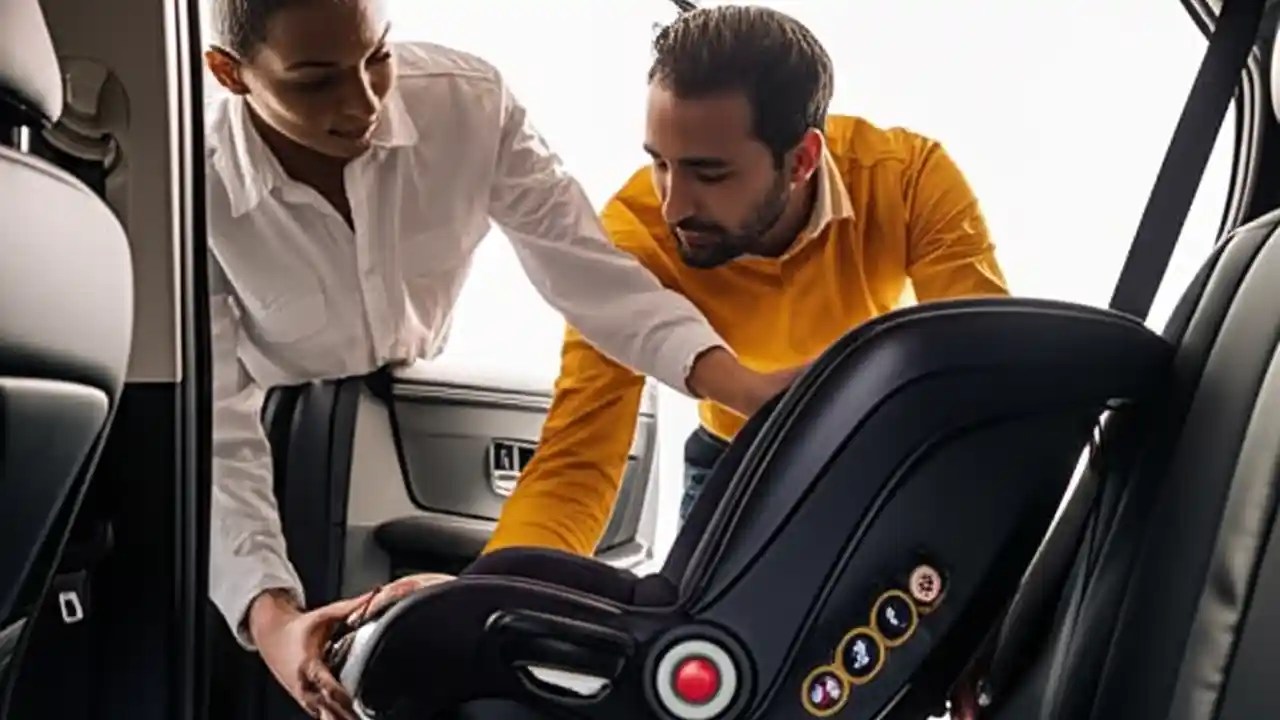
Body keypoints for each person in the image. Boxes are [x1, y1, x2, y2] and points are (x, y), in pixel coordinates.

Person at [202, 0, 800, 717]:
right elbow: (217, 429)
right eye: (316, 81)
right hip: (278, 462)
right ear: (229, 74)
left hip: (402, 414)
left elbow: (585, 268)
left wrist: (748, 390)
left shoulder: (467, 104)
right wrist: (272, 621)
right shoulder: (193, 188)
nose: (362, 101)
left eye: (377, 57)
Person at [484, 4, 1009, 556]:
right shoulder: (632, 237)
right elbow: (577, 462)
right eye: (661, 163)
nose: (674, 206)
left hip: (882, 458)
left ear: (803, 159)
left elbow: (980, 369)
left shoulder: (908, 178)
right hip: (731, 467)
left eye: (710, 173)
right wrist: (485, 594)